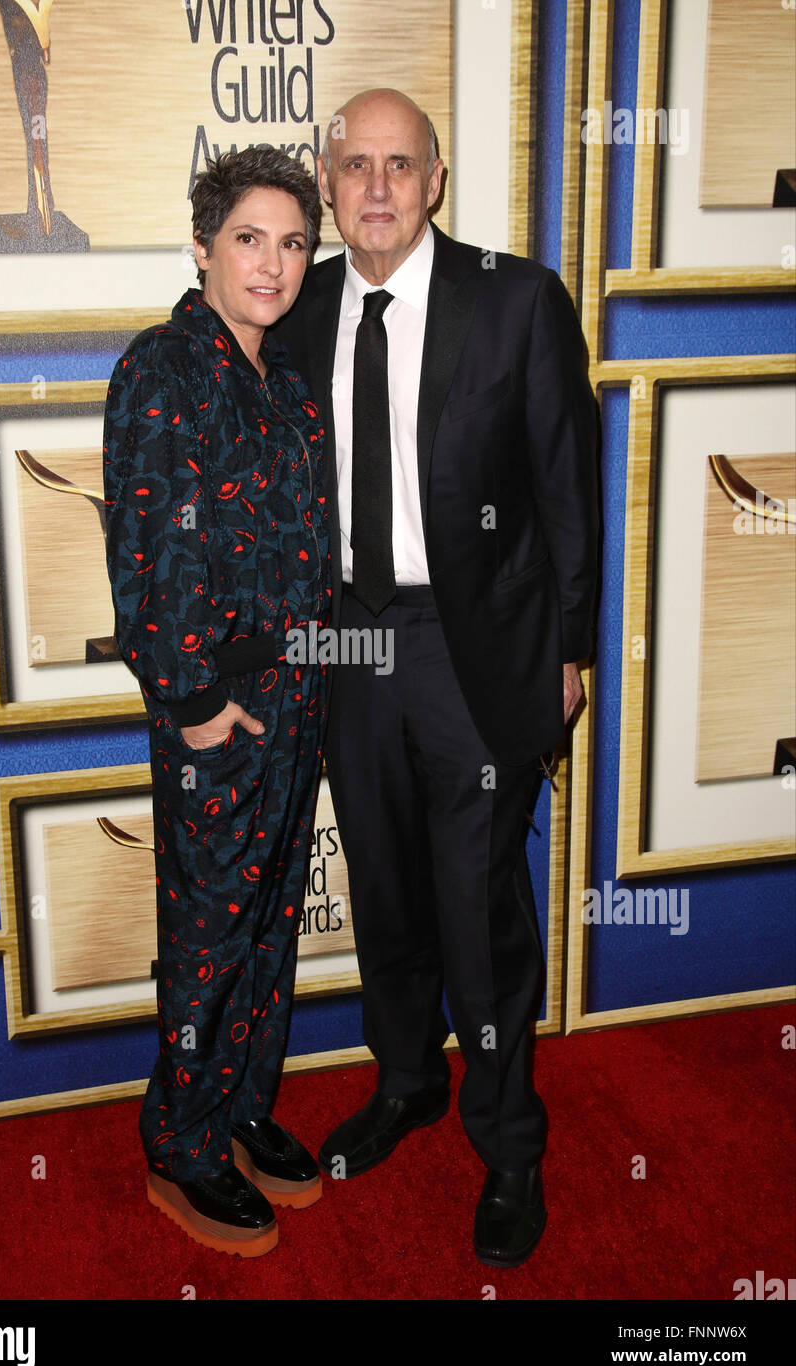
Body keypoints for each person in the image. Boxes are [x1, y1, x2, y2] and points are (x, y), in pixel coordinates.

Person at [273, 89, 599, 1267]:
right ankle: (406, 1079)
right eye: (354, 164)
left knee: (478, 909)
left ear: (436, 178)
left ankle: (510, 1141)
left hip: (473, 654)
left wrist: (571, 649)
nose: (375, 187)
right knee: (388, 889)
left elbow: (568, 482)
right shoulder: (299, 307)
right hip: (348, 649)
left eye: (398, 165)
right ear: (325, 176)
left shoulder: (514, 301)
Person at [103, 146, 330, 1258]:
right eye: (251, 237)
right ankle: (181, 1143)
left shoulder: (286, 378)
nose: (273, 262)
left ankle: (241, 1109)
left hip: (296, 700)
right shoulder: (163, 367)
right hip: (218, 713)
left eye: (293, 242)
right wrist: (193, 702)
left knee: (272, 921)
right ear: (202, 245)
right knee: (206, 933)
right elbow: (149, 553)